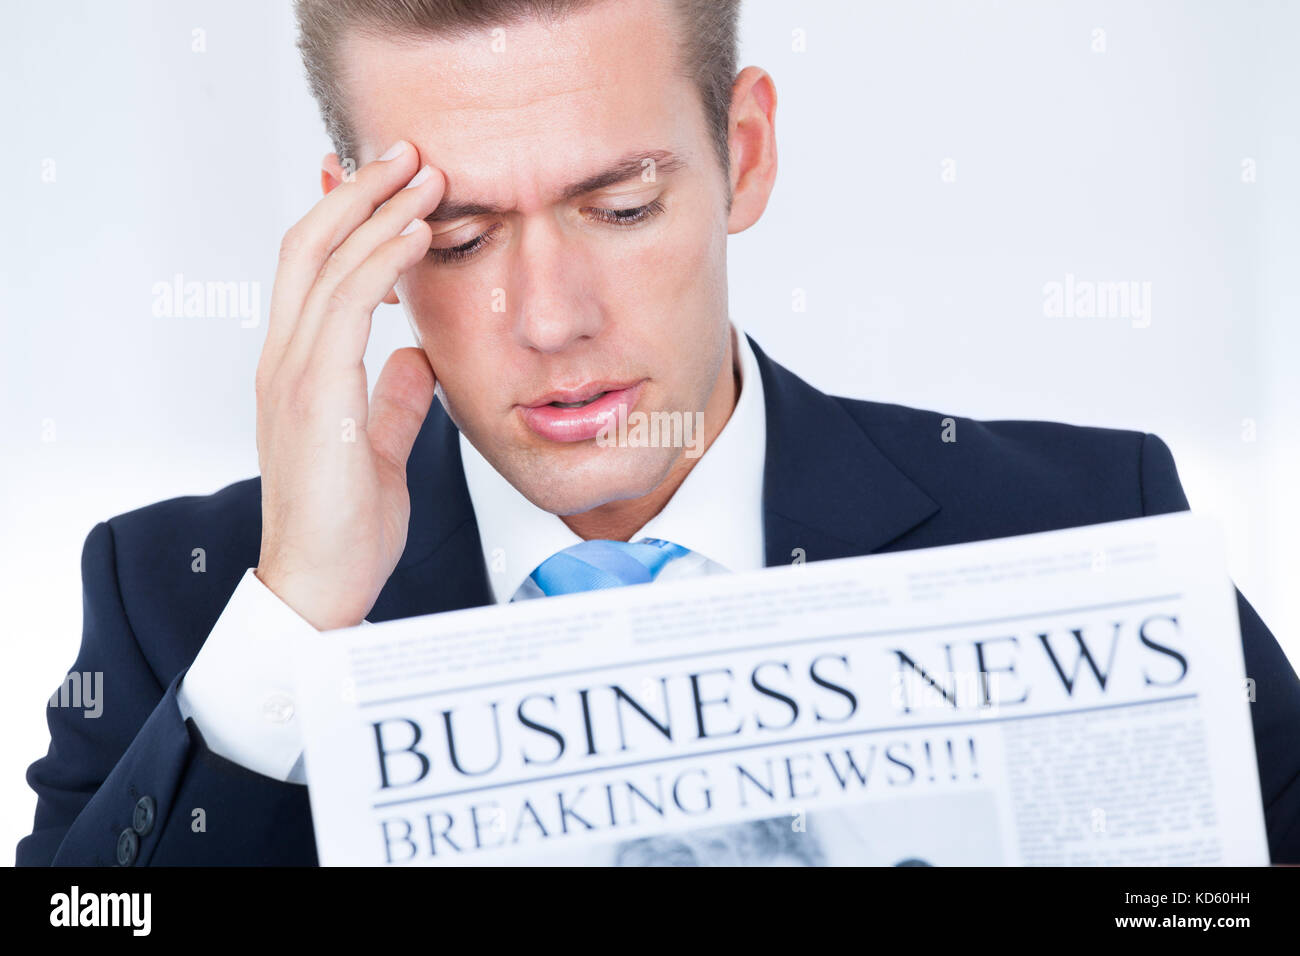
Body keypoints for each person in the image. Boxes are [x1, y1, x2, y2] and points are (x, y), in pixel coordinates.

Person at [18, 0, 1300, 866]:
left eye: (620, 206)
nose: (550, 318)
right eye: (456, 237)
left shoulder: (1091, 522)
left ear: (742, 154)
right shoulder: (179, 607)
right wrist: (296, 624)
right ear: (357, 237)